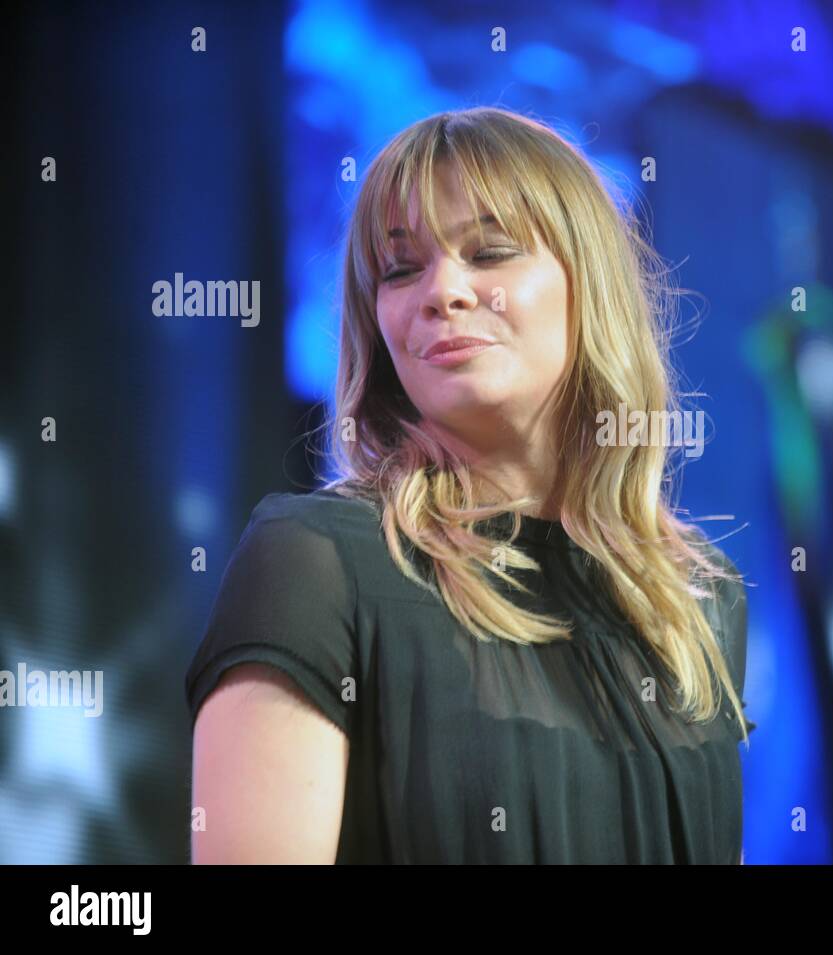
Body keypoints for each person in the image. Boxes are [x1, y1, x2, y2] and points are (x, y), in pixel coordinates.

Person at [186, 106, 755, 864]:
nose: (442, 291)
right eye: (400, 268)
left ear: (592, 289)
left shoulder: (698, 599)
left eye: (490, 252)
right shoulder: (314, 561)